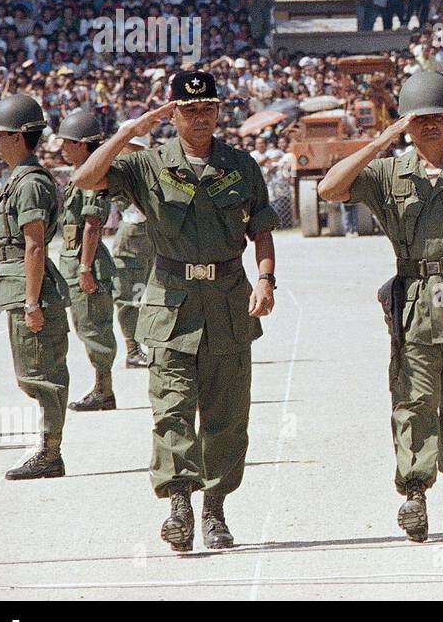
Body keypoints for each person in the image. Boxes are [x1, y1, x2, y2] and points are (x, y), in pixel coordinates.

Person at [72, 70, 280, 553]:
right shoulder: (147, 165)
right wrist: (129, 131)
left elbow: (262, 228)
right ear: (172, 114)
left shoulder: (240, 164)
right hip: (170, 302)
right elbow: (85, 177)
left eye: (208, 108)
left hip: (229, 299)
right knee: (172, 409)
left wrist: (267, 278)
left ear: (220, 111)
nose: (200, 117)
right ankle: (180, 504)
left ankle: (215, 509)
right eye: (189, 110)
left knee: (227, 414)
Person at [317, 70, 443, 542]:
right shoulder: (388, 173)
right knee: (413, 403)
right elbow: (329, 189)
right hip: (413, 308)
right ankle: (415, 494)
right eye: (419, 119)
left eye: (439, 118)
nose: (430, 127)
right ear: (406, 123)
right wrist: (379, 141)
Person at [0, 94, 72, 480]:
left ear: (19, 137)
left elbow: (35, 244)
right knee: (30, 373)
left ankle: (50, 453)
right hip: (20, 284)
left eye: (1, 135)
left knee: (43, 375)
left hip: (30, 286)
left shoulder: (30, 184)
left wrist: (32, 301)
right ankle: (48, 449)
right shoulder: (21, 179)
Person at [56, 108, 119, 413]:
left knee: (94, 327)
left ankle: (104, 391)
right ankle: (100, 387)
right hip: (77, 259)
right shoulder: (81, 174)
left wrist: (85, 268)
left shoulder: (94, 176)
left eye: (66, 143)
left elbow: (92, 224)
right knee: (84, 325)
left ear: (82, 145)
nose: (61, 148)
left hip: (87, 262)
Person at [111, 133, 156, 369]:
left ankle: (140, 347)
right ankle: (133, 349)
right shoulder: (121, 173)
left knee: (142, 298)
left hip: (146, 242)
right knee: (129, 299)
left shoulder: (142, 171)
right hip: (131, 244)